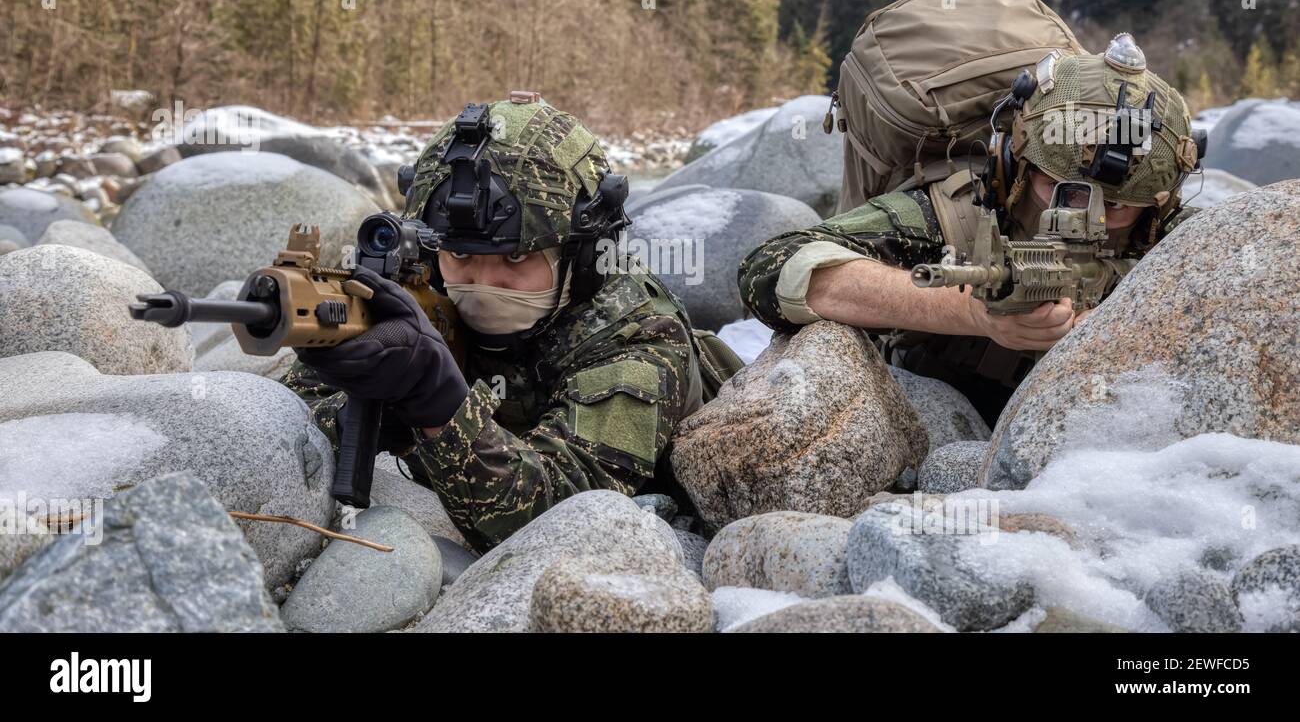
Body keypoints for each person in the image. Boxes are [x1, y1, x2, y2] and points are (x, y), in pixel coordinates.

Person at [284, 95, 718, 551]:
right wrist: (363, 408)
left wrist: (437, 404)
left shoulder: (638, 336)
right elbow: (292, 425)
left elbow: (562, 521)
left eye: (516, 257)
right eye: (461, 255)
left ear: (584, 256)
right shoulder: (422, 290)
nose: (483, 284)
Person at [738, 36, 1205, 426]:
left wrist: (1130, 332)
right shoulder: (957, 211)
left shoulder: (1179, 240)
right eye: (1062, 190)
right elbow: (769, 268)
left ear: (1160, 207)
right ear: (1012, 160)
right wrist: (969, 311)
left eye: (1121, 207)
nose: (1089, 217)